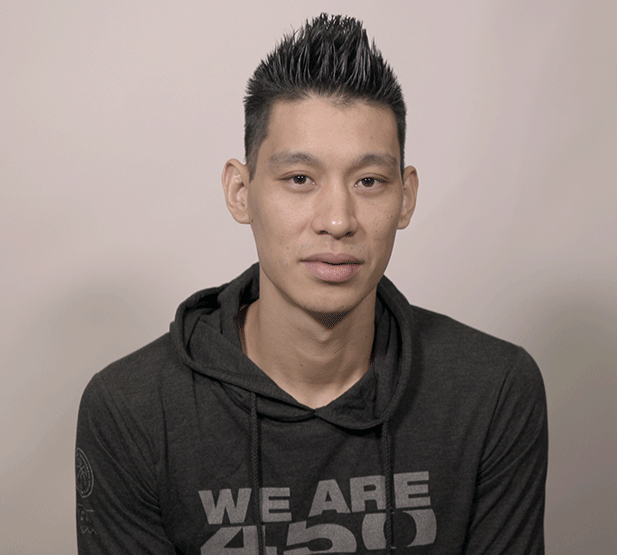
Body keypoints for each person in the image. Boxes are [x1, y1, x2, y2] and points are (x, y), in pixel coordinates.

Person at [75, 13, 547, 554]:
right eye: (300, 179)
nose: (338, 220)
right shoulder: (132, 410)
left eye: (369, 181)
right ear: (240, 192)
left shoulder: (492, 392)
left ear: (406, 198)